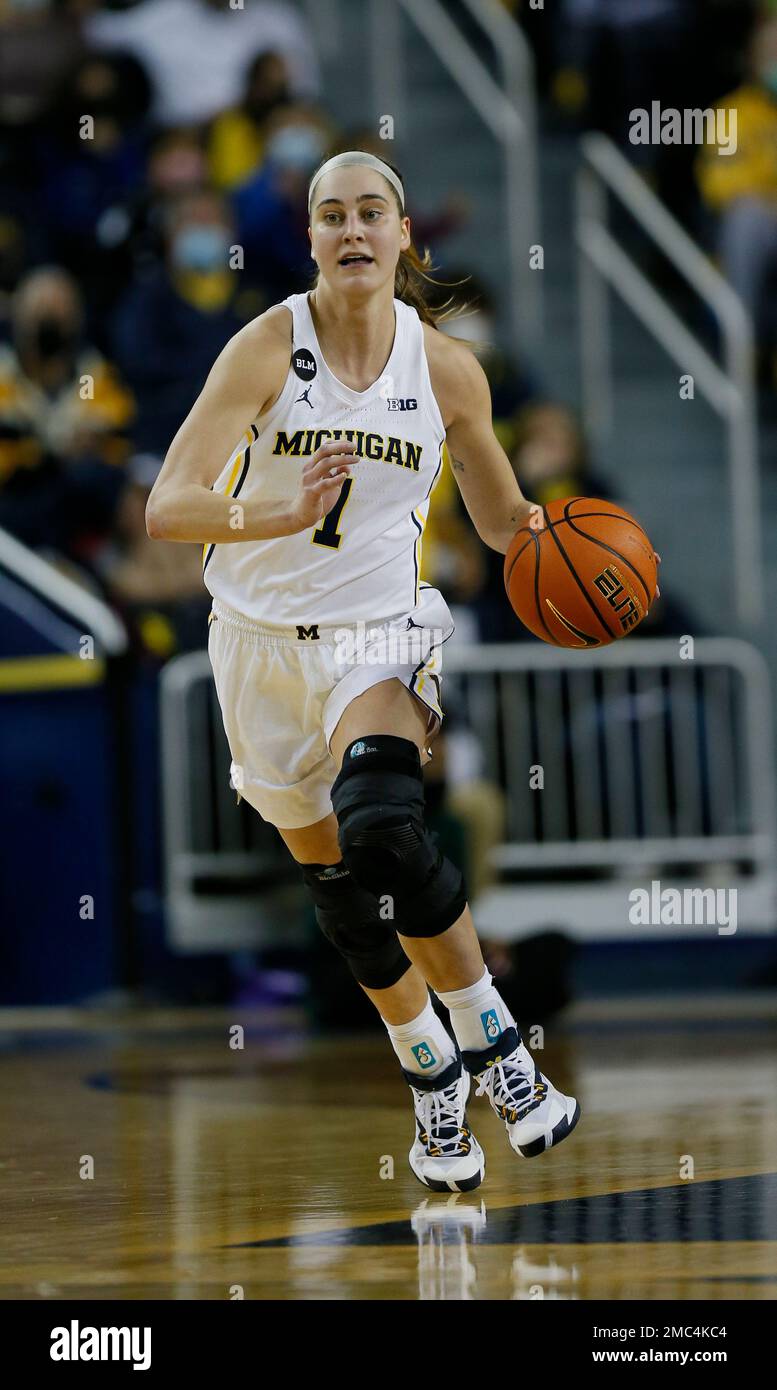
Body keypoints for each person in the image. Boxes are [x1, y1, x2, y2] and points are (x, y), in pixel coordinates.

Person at [146, 149, 580, 1192]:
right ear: (309, 238)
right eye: (330, 214)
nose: (351, 230)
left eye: (370, 211)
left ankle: (504, 1056)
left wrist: (574, 555)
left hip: (377, 633)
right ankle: (430, 1072)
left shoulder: (447, 371)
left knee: (386, 824)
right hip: (255, 641)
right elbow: (168, 505)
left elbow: (503, 520)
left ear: (401, 236)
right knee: (342, 895)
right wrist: (276, 514)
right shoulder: (264, 348)